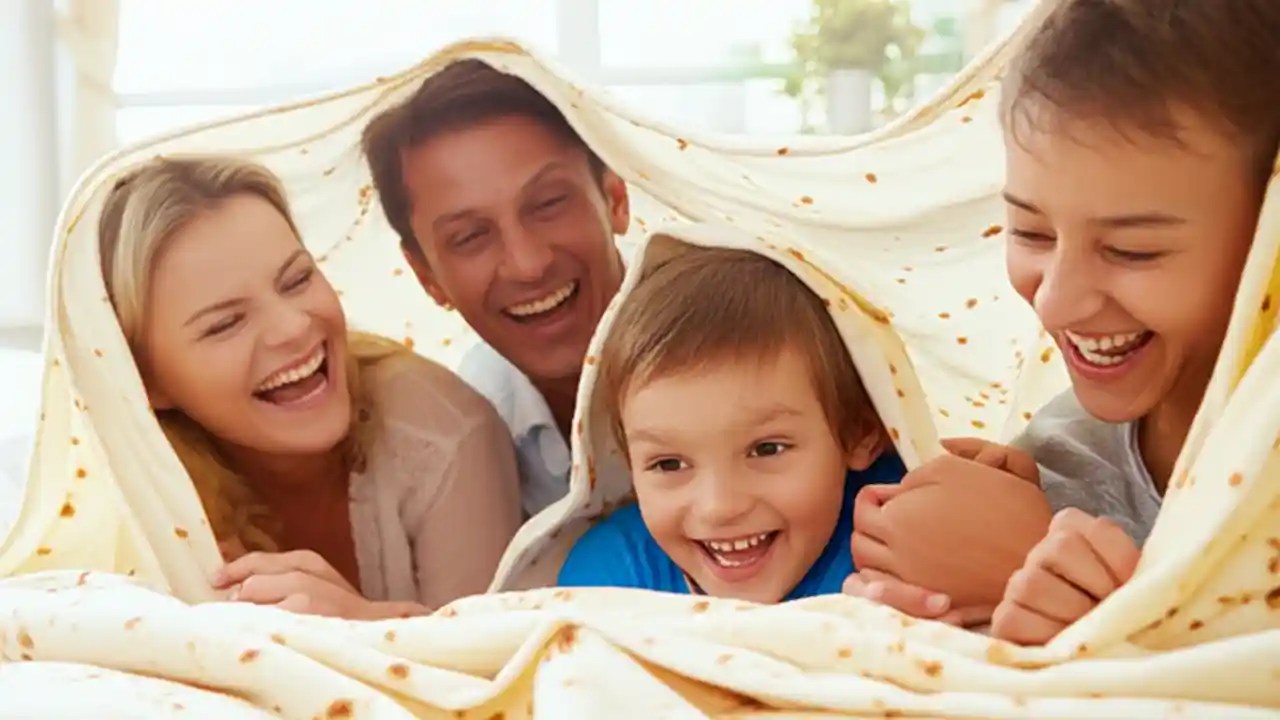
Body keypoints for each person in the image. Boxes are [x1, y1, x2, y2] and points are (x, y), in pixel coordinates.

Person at [844, 0, 1280, 644]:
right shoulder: (1055, 457)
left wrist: (1104, 615)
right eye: (1030, 231)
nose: (1053, 302)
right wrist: (918, 613)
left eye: (1132, 251)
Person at [98, 156, 522, 619]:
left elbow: (495, 664)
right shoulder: (123, 499)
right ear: (143, 381)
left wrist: (359, 624)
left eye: (298, 279)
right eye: (225, 324)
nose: (293, 327)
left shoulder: (446, 431)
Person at [362, 59, 631, 519]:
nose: (528, 264)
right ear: (427, 277)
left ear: (615, 200)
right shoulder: (468, 433)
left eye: (548, 204)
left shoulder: (753, 343)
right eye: (470, 237)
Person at [557, 246, 904, 603]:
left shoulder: (902, 536)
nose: (719, 507)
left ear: (858, 433)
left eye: (767, 449)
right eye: (668, 464)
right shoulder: (608, 579)